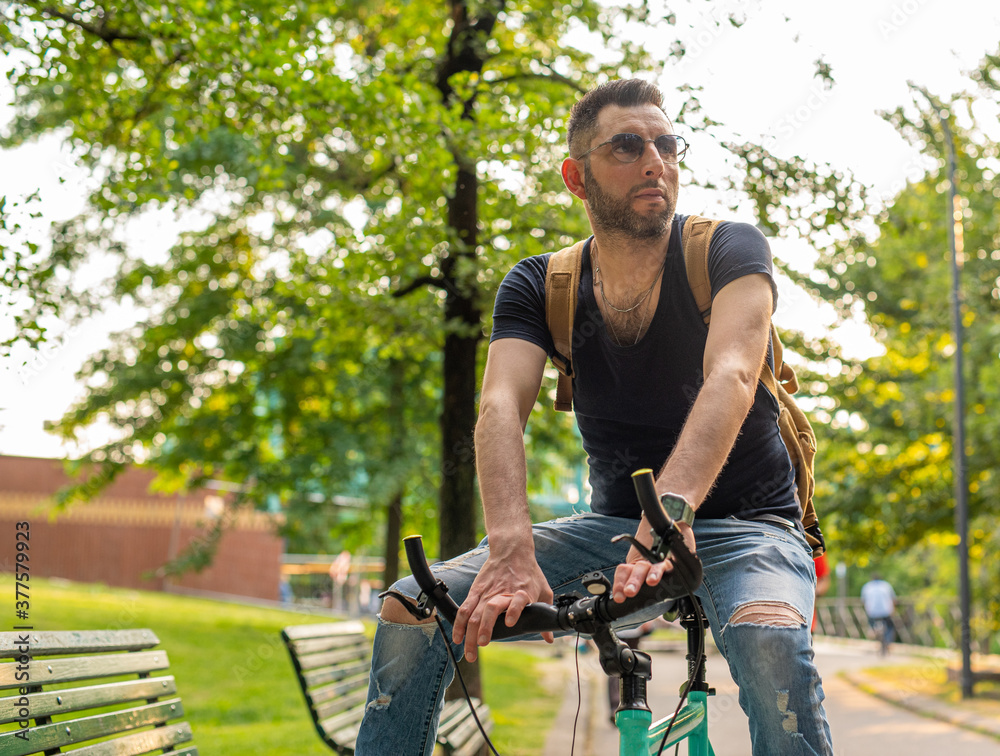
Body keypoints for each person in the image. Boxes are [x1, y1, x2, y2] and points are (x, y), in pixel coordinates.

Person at [355, 79, 833, 756]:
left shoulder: (728, 250)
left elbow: (729, 374)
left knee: (769, 641)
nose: (655, 161)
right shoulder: (537, 284)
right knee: (413, 606)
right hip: (613, 532)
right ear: (576, 178)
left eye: (668, 144)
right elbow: (498, 406)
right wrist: (510, 546)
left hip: (750, 528)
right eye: (628, 146)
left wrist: (667, 515)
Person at [861, 573, 896, 655]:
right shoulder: (886, 585)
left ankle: (873, 630)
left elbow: (863, 600)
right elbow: (893, 599)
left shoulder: (867, 586)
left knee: (871, 622)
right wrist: (893, 609)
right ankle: (888, 641)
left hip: (872, 612)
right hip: (886, 611)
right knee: (890, 626)